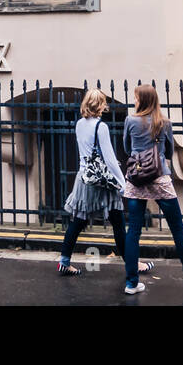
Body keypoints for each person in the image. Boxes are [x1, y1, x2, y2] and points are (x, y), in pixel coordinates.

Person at [121, 83, 183, 295]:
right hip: (159, 178)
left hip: (136, 179)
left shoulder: (130, 120)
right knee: (177, 229)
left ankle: (131, 283)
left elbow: (127, 148)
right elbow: (170, 151)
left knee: (133, 231)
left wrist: (139, 153)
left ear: (142, 100)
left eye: (136, 98)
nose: (134, 101)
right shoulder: (164, 122)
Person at [56, 88, 154, 278]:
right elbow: (109, 159)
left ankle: (64, 262)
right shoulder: (101, 126)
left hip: (84, 178)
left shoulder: (79, 124)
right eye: (103, 102)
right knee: (117, 221)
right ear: (100, 104)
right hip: (102, 181)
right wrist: (122, 183)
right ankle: (133, 265)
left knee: (77, 221)